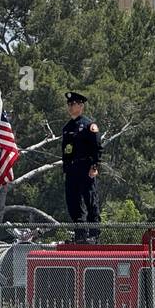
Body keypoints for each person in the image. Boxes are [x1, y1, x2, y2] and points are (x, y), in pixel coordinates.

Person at [62, 91, 102, 243]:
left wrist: (95, 165)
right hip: (72, 170)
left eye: (73, 104)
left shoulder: (88, 125)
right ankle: (80, 234)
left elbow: (97, 147)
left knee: (90, 200)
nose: (70, 107)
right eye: (69, 104)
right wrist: (65, 169)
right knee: (73, 202)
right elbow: (66, 150)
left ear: (81, 106)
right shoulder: (67, 127)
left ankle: (94, 233)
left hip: (86, 167)